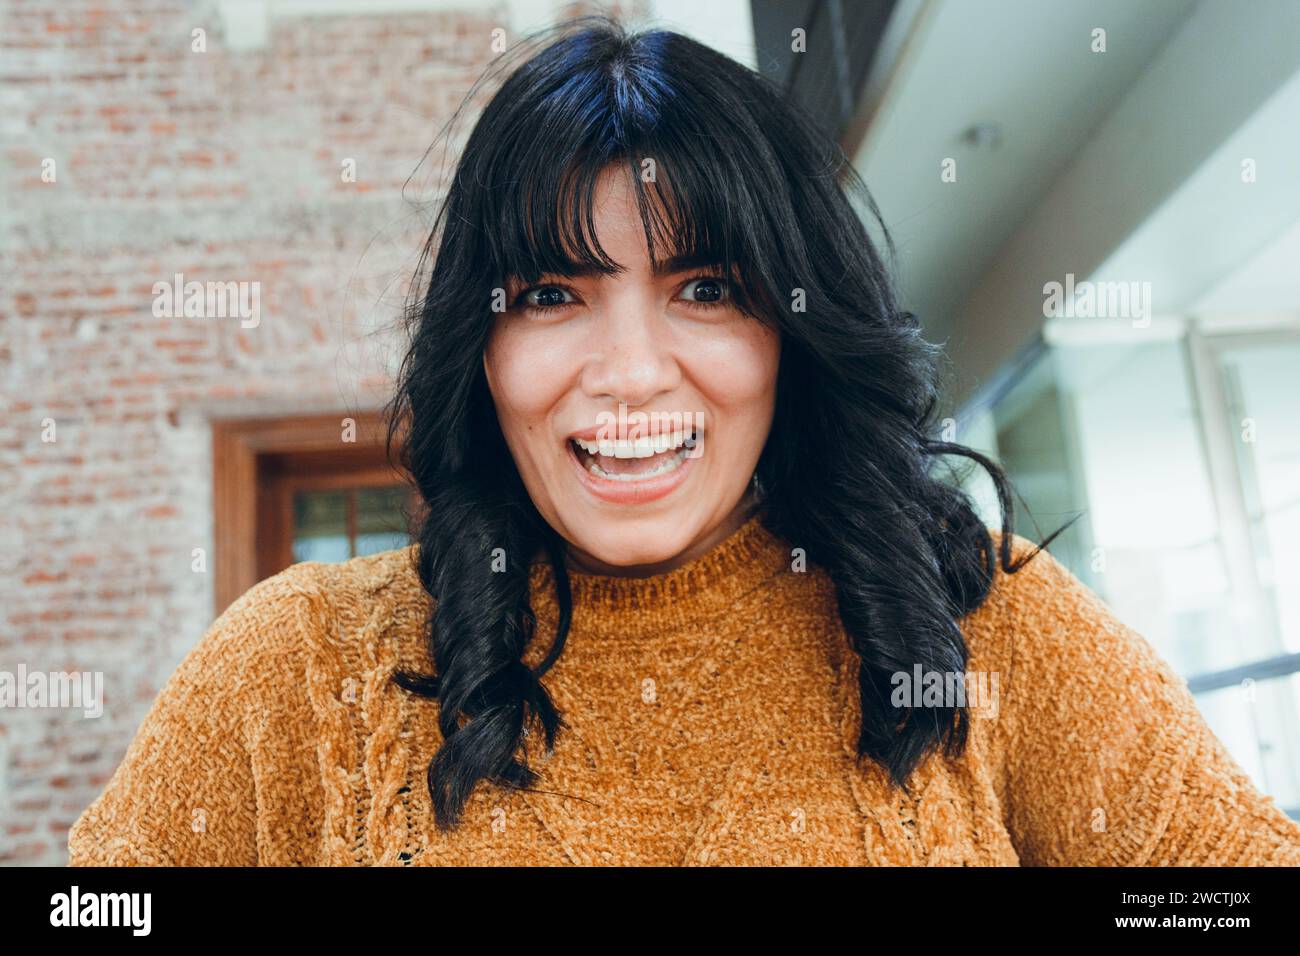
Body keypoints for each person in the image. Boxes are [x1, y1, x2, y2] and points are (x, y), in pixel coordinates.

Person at [68, 15, 1300, 866]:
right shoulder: (291, 669)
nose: (630, 372)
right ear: (480, 348)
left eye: (705, 287)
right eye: (552, 293)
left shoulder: (981, 622)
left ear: (791, 325)